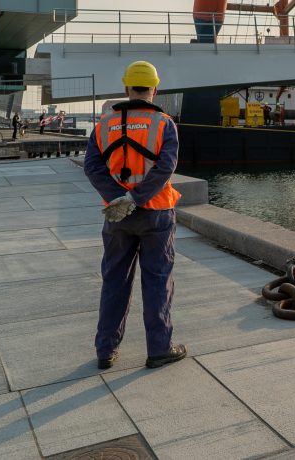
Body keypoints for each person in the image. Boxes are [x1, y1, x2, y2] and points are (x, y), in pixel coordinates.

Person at [84, 60, 186, 371]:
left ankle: (106, 351)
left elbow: (92, 167)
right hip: (157, 214)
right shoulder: (164, 124)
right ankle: (159, 349)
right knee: (157, 281)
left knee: (114, 280)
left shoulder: (104, 126)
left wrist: (119, 199)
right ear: (154, 89)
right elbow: (165, 167)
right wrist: (138, 197)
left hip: (118, 217)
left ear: (127, 88)